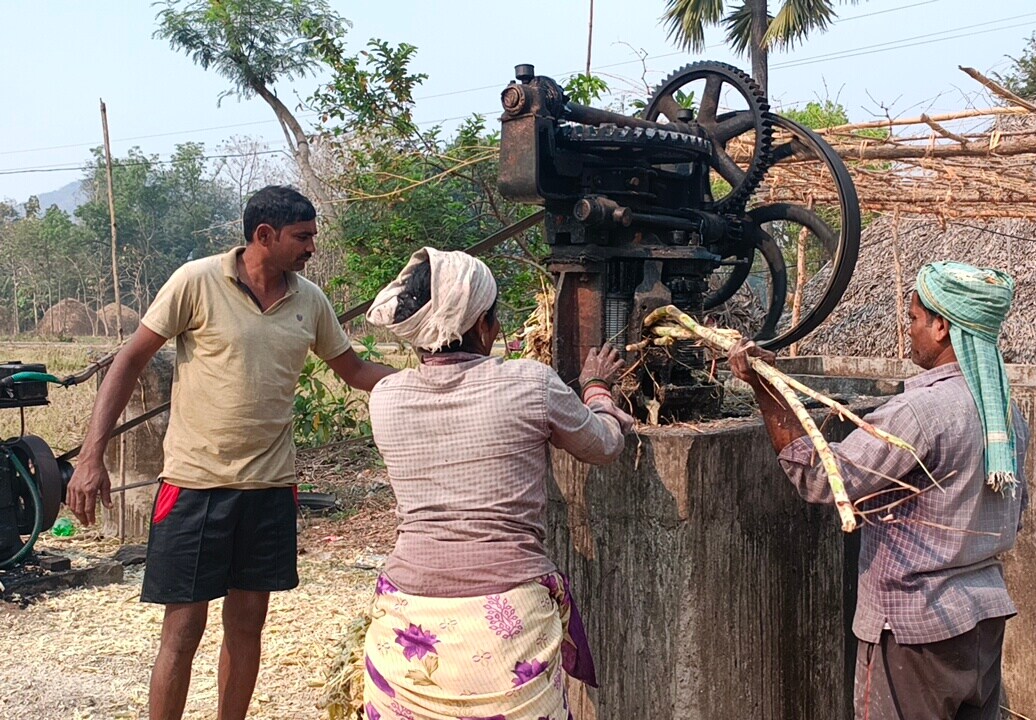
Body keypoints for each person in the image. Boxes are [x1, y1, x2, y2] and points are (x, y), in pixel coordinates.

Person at [66, 186, 397, 720]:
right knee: (183, 629)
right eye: (302, 237)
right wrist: (90, 457)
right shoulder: (196, 281)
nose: (312, 247)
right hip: (195, 486)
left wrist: (431, 381)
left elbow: (355, 371)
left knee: (247, 626)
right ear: (264, 235)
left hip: (269, 489)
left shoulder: (309, 300)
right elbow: (128, 361)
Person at [729, 261, 1031, 720]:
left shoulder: (918, 413)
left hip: (913, 630)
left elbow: (823, 477)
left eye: (914, 318)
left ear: (942, 327)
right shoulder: (1006, 416)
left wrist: (764, 390)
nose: (909, 330)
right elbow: (1016, 510)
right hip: (981, 621)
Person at [361, 246, 634, 720]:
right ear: (484, 326)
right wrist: (596, 388)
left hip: (406, 629)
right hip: (509, 627)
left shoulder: (385, 397)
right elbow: (605, 445)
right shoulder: (531, 383)